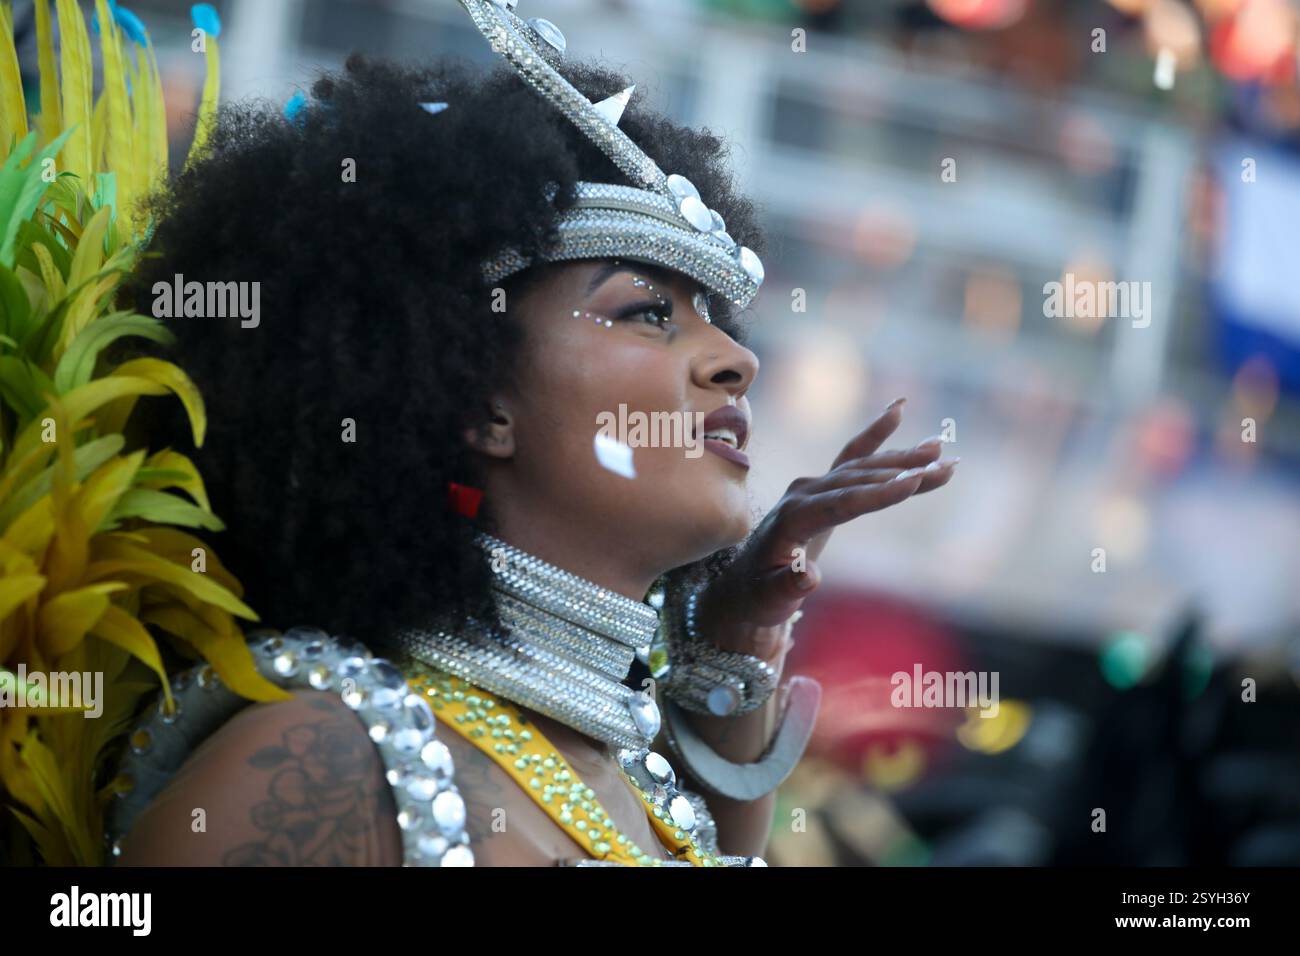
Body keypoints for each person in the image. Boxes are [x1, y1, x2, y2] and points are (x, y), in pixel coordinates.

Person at [102, 0, 958, 866]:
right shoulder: (330, 764)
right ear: (477, 399)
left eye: (718, 318)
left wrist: (736, 646)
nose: (736, 358)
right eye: (647, 314)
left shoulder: (640, 795)